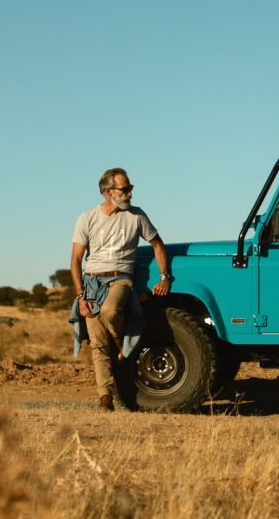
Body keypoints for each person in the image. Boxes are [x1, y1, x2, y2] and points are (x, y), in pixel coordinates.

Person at [70, 167, 172, 411]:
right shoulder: (87, 217)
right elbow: (75, 260)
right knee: (97, 345)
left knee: (110, 310)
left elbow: (158, 245)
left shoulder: (136, 216)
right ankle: (105, 397)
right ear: (108, 191)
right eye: (125, 189)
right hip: (92, 281)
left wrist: (165, 278)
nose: (130, 193)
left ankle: (119, 342)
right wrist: (81, 297)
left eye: (130, 188)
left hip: (120, 279)